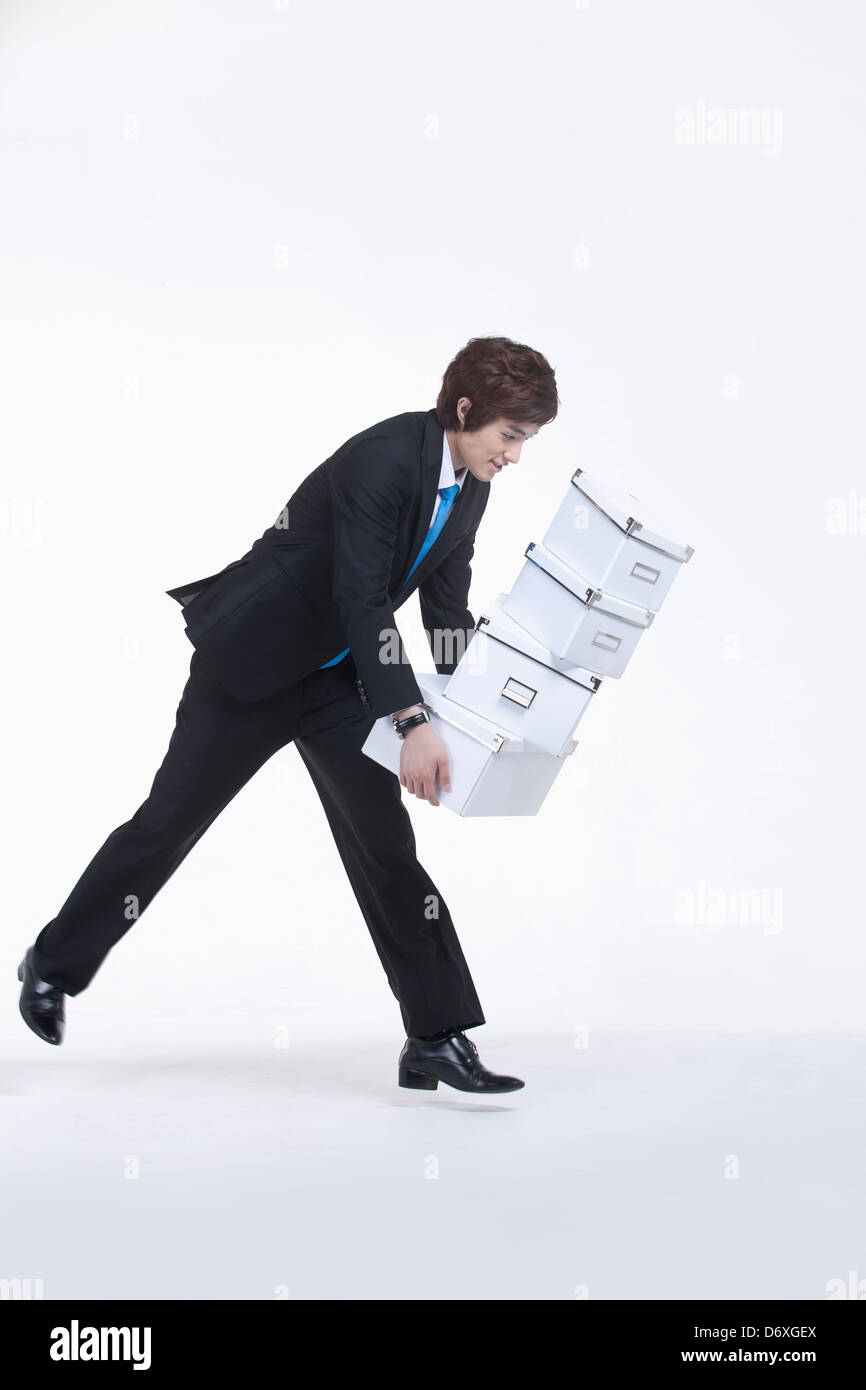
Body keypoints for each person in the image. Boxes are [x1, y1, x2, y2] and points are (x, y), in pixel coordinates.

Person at [18, 335, 559, 1093]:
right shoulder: (383, 459)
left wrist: (479, 706)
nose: (514, 458)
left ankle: (435, 1038)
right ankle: (53, 965)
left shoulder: (470, 487)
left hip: (341, 680)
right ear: (465, 410)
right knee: (167, 825)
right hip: (253, 666)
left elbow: (445, 607)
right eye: (511, 437)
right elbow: (362, 598)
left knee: (385, 848)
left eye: (526, 442)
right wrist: (410, 722)